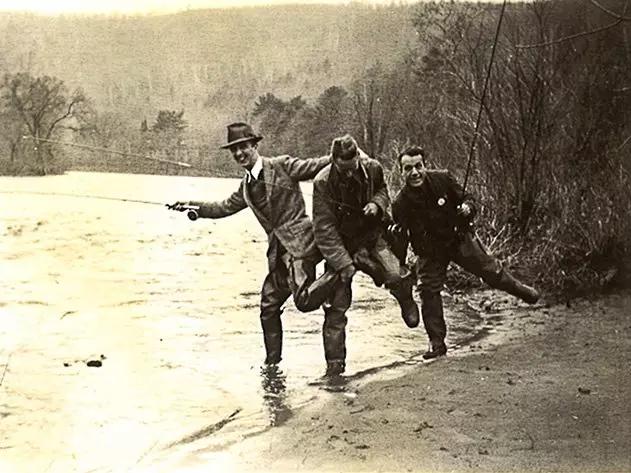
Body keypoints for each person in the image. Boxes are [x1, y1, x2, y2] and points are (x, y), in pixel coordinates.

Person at [168, 122, 337, 368]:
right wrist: (191, 205)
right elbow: (223, 207)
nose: (239, 154)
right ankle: (272, 367)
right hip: (278, 254)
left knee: (303, 301)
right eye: (234, 150)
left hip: (301, 247)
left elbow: (315, 166)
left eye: (243, 147)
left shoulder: (281, 165)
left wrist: (344, 154)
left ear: (255, 145)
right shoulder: (246, 187)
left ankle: (339, 273)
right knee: (268, 305)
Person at [390, 146, 540, 360]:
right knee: (428, 292)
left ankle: (524, 292)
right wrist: (400, 264)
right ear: (401, 171)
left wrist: (468, 208)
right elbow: (401, 238)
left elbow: (468, 198)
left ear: (425, 166)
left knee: (491, 272)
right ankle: (437, 343)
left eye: (418, 166)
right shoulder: (400, 203)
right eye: (408, 168)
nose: (414, 173)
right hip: (430, 253)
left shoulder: (443, 179)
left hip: (458, 240)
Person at [312, 134, 420, 378]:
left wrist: (376, 203)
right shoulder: (322, 182)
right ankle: (335, 365)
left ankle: (405, 298)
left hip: (373, 237)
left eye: (353, 168)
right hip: (341, 245)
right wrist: (343, 264)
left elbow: (383, 190)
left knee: (395, 274)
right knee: (335, 308)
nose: (350, 174)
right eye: (344, 170)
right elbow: (324, 230)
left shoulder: (373, 168)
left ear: (358, 158)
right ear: (333, 161)